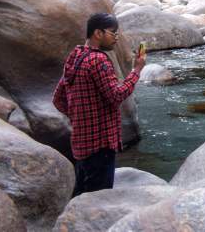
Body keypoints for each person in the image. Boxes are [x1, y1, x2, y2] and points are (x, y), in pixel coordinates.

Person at [53, 12, 145, 196]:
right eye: (113, 33)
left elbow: (58, 99)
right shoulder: (98, 60)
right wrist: (136, 70)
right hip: (101, 144)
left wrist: (80, 118)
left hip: (81, 142)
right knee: (99, 198)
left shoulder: (76, 56)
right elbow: (116, 96)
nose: (116, 38)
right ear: (98, 33)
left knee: (82, 194)